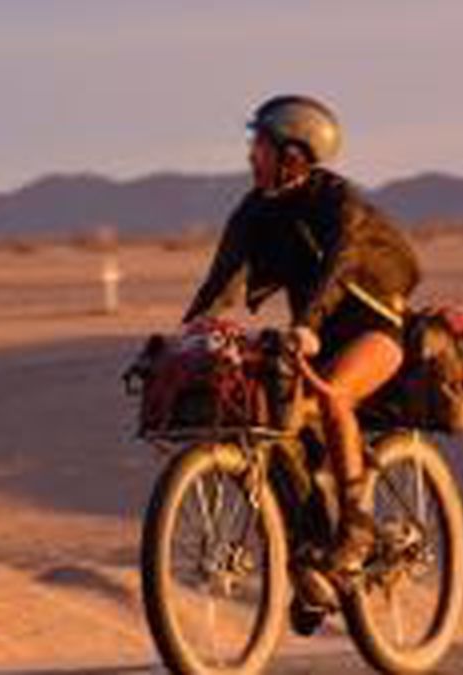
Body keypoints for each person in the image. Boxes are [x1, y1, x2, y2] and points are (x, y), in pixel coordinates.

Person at [182, 95, 421, 588]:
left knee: (334, 393)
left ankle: (356, 523)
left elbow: (337, 266)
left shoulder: (340, 203)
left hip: (375, 331)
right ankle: (312, 552)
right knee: (274, 423)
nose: (251, 156)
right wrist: (189, 334)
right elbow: (223, 281)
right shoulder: (254, 211)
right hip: (308, 339)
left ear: (293, 153)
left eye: (261, 146)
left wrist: (308, 325)